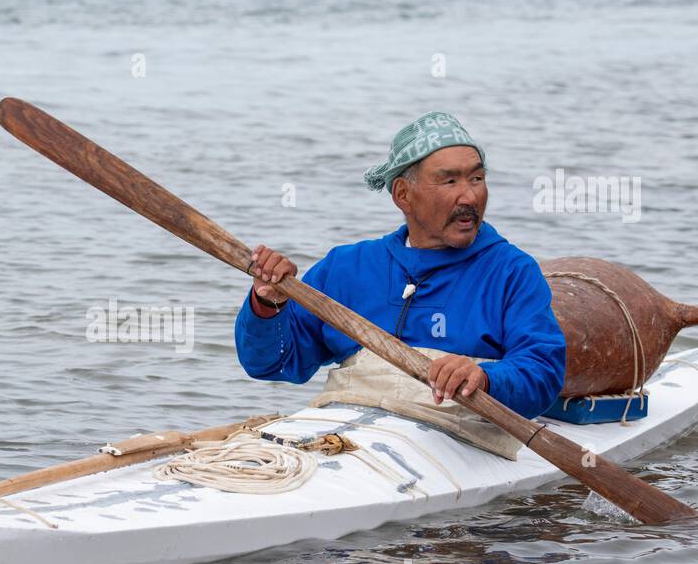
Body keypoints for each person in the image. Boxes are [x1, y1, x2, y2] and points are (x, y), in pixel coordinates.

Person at [234, 111, 565, 419]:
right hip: (345, 432)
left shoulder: (511, 272)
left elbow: (542, 374)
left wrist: (486, 378)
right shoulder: (347, 268)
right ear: (403, 195)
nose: (468, 197)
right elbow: (271, 363)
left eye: (476, 178)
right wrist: (267, 305)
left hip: (462, 438)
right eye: (449, 182)